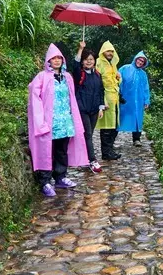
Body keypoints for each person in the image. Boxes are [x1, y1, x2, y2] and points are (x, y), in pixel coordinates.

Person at [27, 43, 89, 196]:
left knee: (62, 151)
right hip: (49, 122)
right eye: (53, 58)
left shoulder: (67, 77)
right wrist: (40, 121)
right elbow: (35, 99)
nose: (56, 61)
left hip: (65, 122)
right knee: (46, 151)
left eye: (59, 58)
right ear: (48, 61)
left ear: (62, 60)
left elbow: (71, 99)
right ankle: (45, 181)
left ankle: (60, 177)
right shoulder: (41, 77)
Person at [67, 40, 105, 174]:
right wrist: (80, 49)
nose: (89, 62)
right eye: (86, 60)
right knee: (88, 134)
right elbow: (75, 65)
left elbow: (101, 91)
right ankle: (92, 160)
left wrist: (101, 107)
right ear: (83, 61)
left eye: (91, 59)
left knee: (88, 134)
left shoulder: (97, 75)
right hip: (82, 108)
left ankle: (85, 157)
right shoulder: (80, 74)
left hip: (94, 109)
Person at [118, 50, 151, 145]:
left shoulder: (143, 74)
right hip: (125, 99)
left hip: (138, 100)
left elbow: (146, 88)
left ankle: (136, 139)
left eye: (142, 61)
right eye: (139, 60)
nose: (140, 62)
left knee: (137, 118)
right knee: (119, 117)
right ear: (135, 59)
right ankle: (111, 139)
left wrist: (146, 100)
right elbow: (117, 81)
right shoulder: (125, 68)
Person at [97, 40, 123, 160]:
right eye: (108, 51)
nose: (110, 53)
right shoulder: (99, 63)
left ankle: (110, 150)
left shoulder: (113, 64)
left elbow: (115, 81)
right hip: (106, 98)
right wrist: (102, 101)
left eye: (112, 51)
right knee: (106, 127)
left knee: (114, 126)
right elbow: (98, 83)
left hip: (115, 99)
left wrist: (118, 78)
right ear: (103, 51)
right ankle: (106, 153)